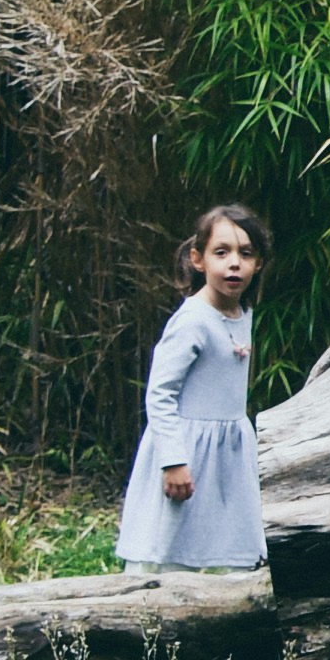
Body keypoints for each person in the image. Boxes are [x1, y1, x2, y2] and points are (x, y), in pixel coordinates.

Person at [115, 205, 270, 571]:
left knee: (229, 546)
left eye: (245, 254)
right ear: (198, 259)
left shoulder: (242, 313)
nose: (234, 263)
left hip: (228, 452)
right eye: (222, 252)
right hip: (188, 451)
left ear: (258, 263)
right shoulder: (193, 320)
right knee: (173, 548)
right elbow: (161, 393)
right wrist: (173, 460)